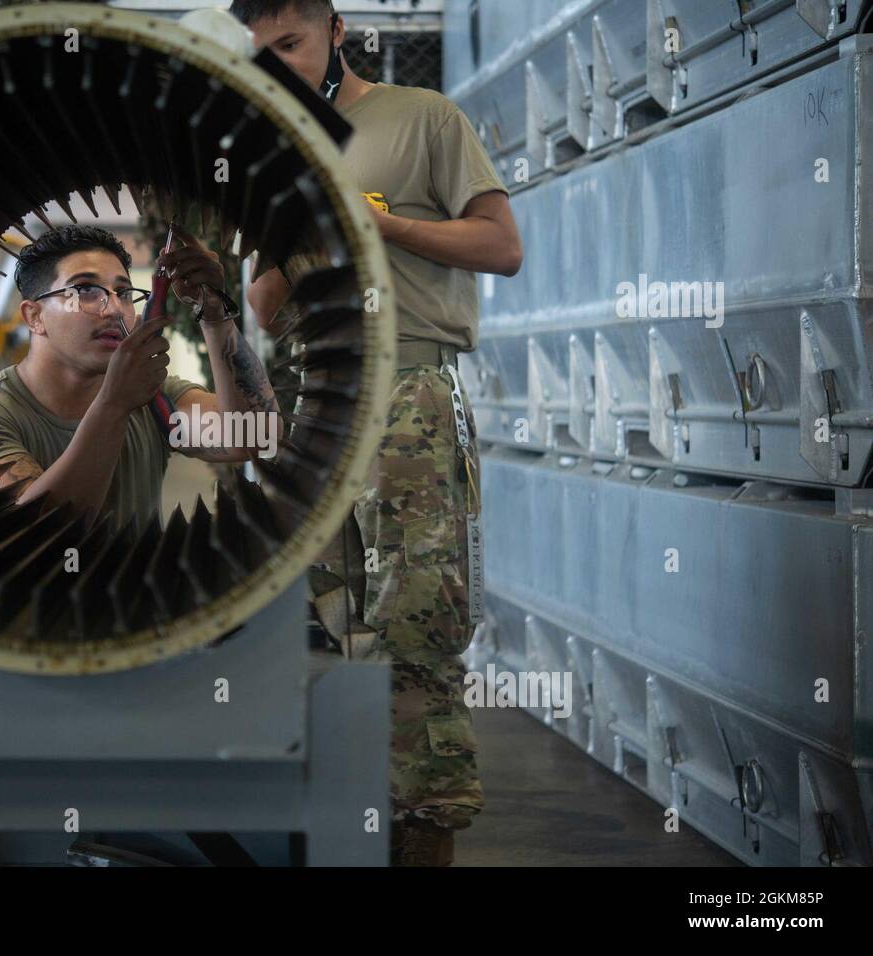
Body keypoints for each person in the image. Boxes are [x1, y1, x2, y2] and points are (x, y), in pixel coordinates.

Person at [231, 0, 524, 866]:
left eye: (290, 42)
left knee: (415, 627)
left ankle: (425, 835)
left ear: (335, 29)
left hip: (407, 395)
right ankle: (355, 828)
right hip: (317, 398)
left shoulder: (421, 118)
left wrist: (381, 223)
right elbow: (264, 306)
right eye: (261, 52)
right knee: (334, 628)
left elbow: (502, 246)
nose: (277, 64)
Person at [0, 224, 278, 532]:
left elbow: (255, 436)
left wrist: (213, 312)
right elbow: (43, 535)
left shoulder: (152, 396)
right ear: (34, 316)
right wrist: (114, 404)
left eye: (123, 293)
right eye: (84, 289)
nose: (112, 309)